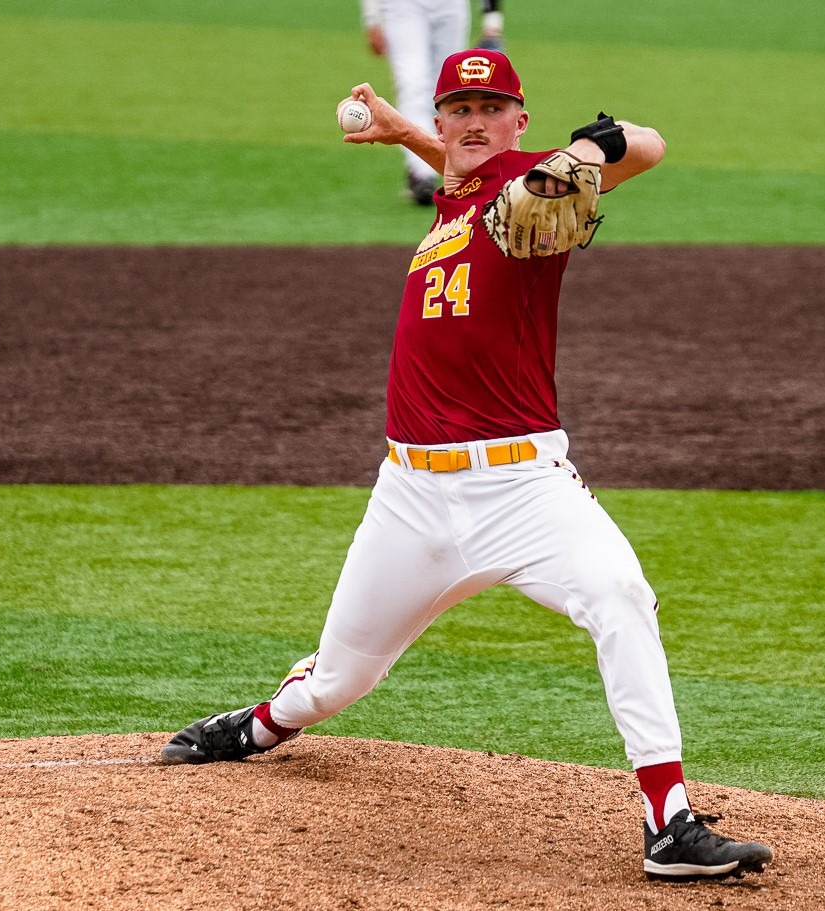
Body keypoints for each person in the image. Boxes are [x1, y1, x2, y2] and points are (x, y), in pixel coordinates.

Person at [162, 49, 774, 881]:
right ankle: (266, 722)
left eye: (491, 108)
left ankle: (669, 822)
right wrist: (404, 134)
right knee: (338, 680)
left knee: (620, 594)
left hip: (522, 487)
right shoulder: (460, 196)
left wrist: (591, 146)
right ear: (443, 118)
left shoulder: (539, 185)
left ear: (520, 119)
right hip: (409, 496)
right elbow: (463, 174)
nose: (474, 121)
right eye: (459, 108)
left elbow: (649, 145)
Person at [361, 0, 501, 205]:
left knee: (449, 88)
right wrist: (372, 18)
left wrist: (492, 19)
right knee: (413, 85)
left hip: (451, 5)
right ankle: (422, 173)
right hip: (402, 6)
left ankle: (455, 171)